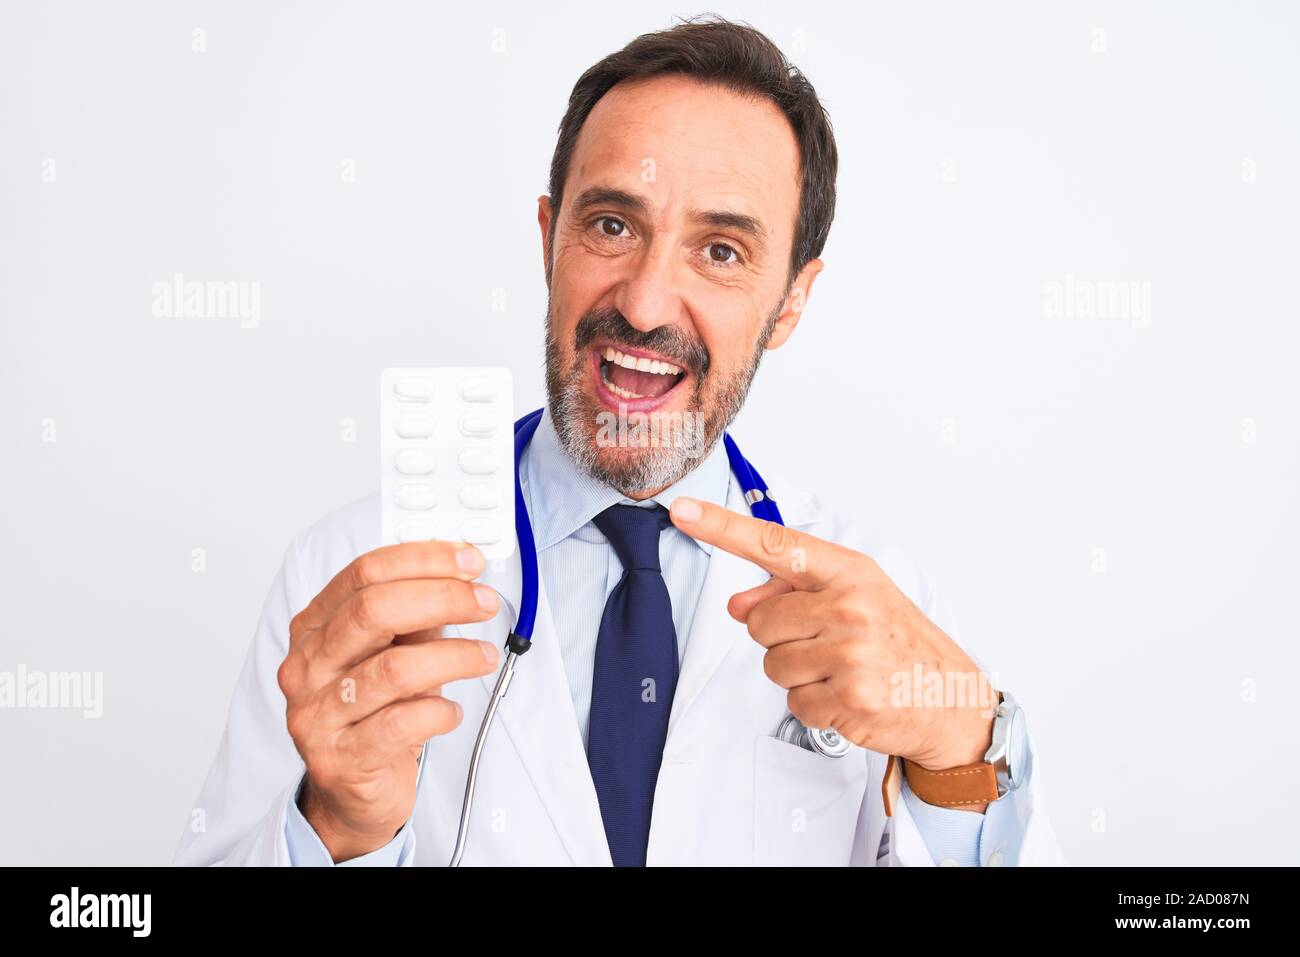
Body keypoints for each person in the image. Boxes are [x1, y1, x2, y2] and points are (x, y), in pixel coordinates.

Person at [175, 16, 1064, 867]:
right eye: (611, 225)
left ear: (791, 301)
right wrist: (338, 824)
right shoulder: (349, 575)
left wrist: (960, 744)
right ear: (547, 238)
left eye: (720, 250)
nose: (642, 303)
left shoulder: (879, 602)